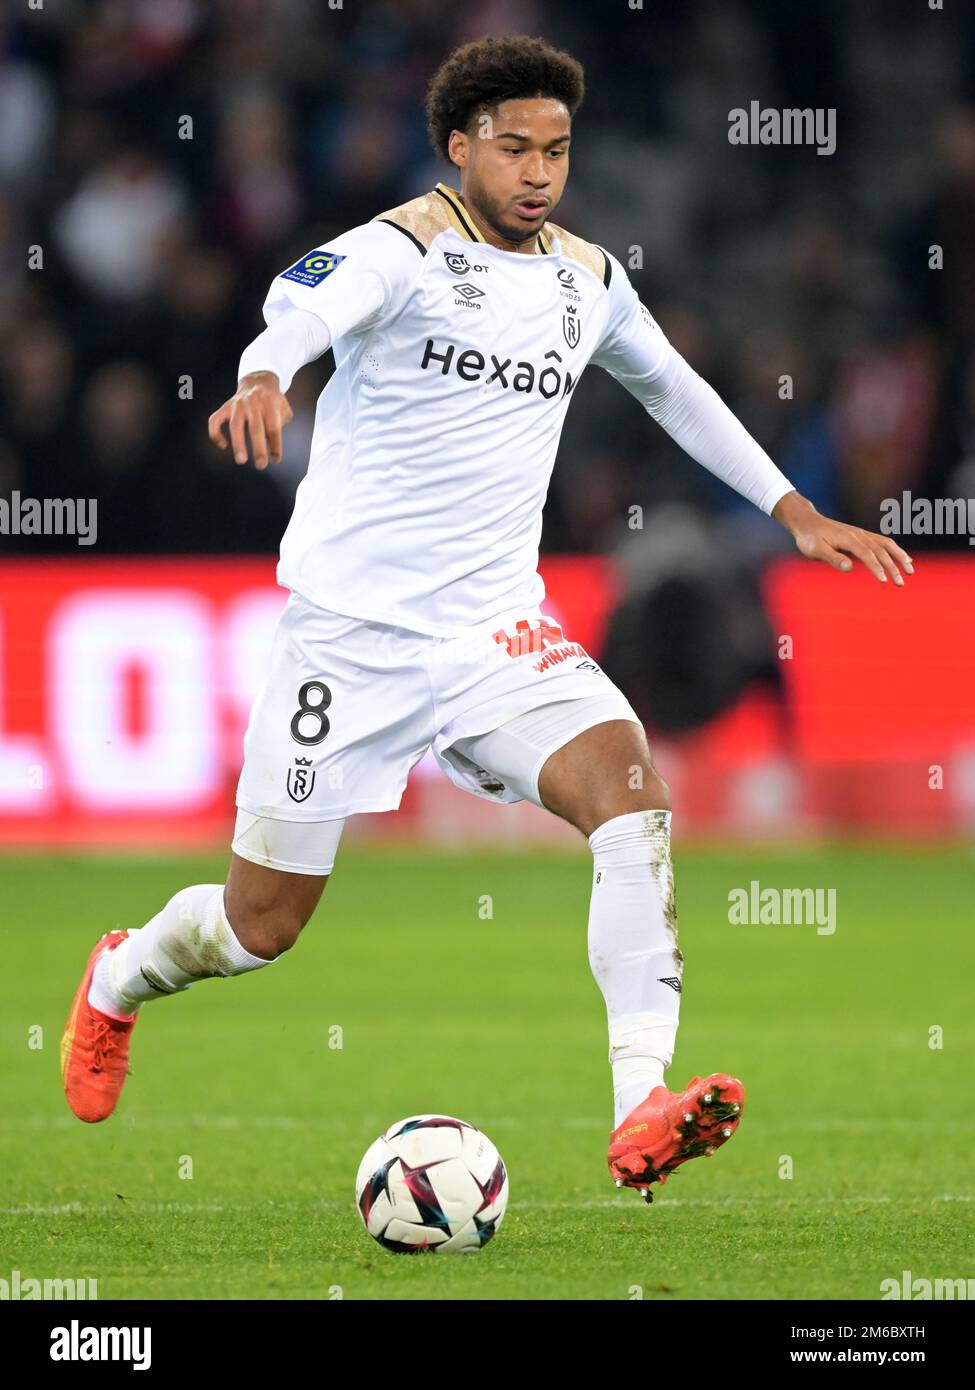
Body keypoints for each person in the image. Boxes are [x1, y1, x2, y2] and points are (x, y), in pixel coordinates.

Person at [61, 34, 912, 1203]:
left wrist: (794, 508)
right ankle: (122, 976)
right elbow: (297, 306)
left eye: (556, 150)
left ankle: (637, 1105)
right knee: (260, 926)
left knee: (632, 799)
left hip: (497, 632)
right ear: (460, 148)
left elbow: (672, 385)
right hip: (350, 642)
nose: (539, 172)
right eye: (514, 148)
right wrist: (267, 375)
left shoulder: (587, 278)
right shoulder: (401, 248)